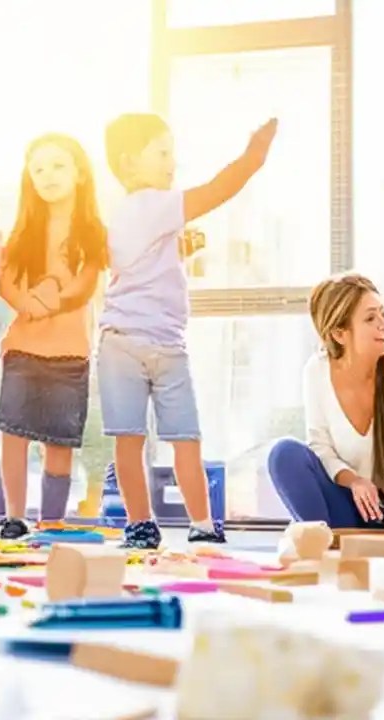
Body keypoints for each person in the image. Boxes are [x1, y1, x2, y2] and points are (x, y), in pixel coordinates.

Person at [99, 112, 278, 549]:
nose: (171, 162)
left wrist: (179, 246)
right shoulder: (157, 203)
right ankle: (201, 525)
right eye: (161, 153)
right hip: (152, 345)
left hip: (124, 340)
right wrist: (252, 158)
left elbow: (134, 262)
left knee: (130, 441)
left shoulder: (123, 212)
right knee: (185, 440)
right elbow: (217, 191)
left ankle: (141, 526)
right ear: (128, 164)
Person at [0, 134, 107, 540]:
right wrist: (27, 304)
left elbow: (85, 285)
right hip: (22, 348)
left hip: (71, 353)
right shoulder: (24, 227)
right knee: (14, 432)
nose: (48, 175)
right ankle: (12, 517)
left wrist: (52, 304)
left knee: (59, 442)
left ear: (79, 173)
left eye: (58, 165)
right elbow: (4, 280)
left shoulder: (92, 231)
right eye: (38, 169)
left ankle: (51, 521)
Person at [269, 273, 384, 528]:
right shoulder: (317, 370)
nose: (383, 324)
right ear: (340, 334)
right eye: (371, 318)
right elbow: (320, 446)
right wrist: (355, 481)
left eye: (383, 314)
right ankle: (320, 544)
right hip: (346, 506)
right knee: (284, 454)